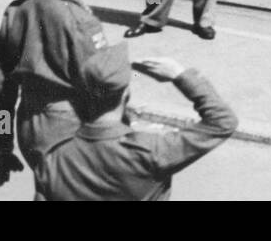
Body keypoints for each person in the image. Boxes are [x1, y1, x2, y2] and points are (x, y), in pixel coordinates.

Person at [0, 0, 106, 191]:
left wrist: (2, 145)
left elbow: (2, 90)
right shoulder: (81, 20)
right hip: (69, 133)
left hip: (30, 129)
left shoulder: (16, 12)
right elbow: (105, 89)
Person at [33, 46, 237, 201]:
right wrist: (179, 75)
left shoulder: (52, 159)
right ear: (126, 95)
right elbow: (222, 122)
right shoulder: (150, 151)